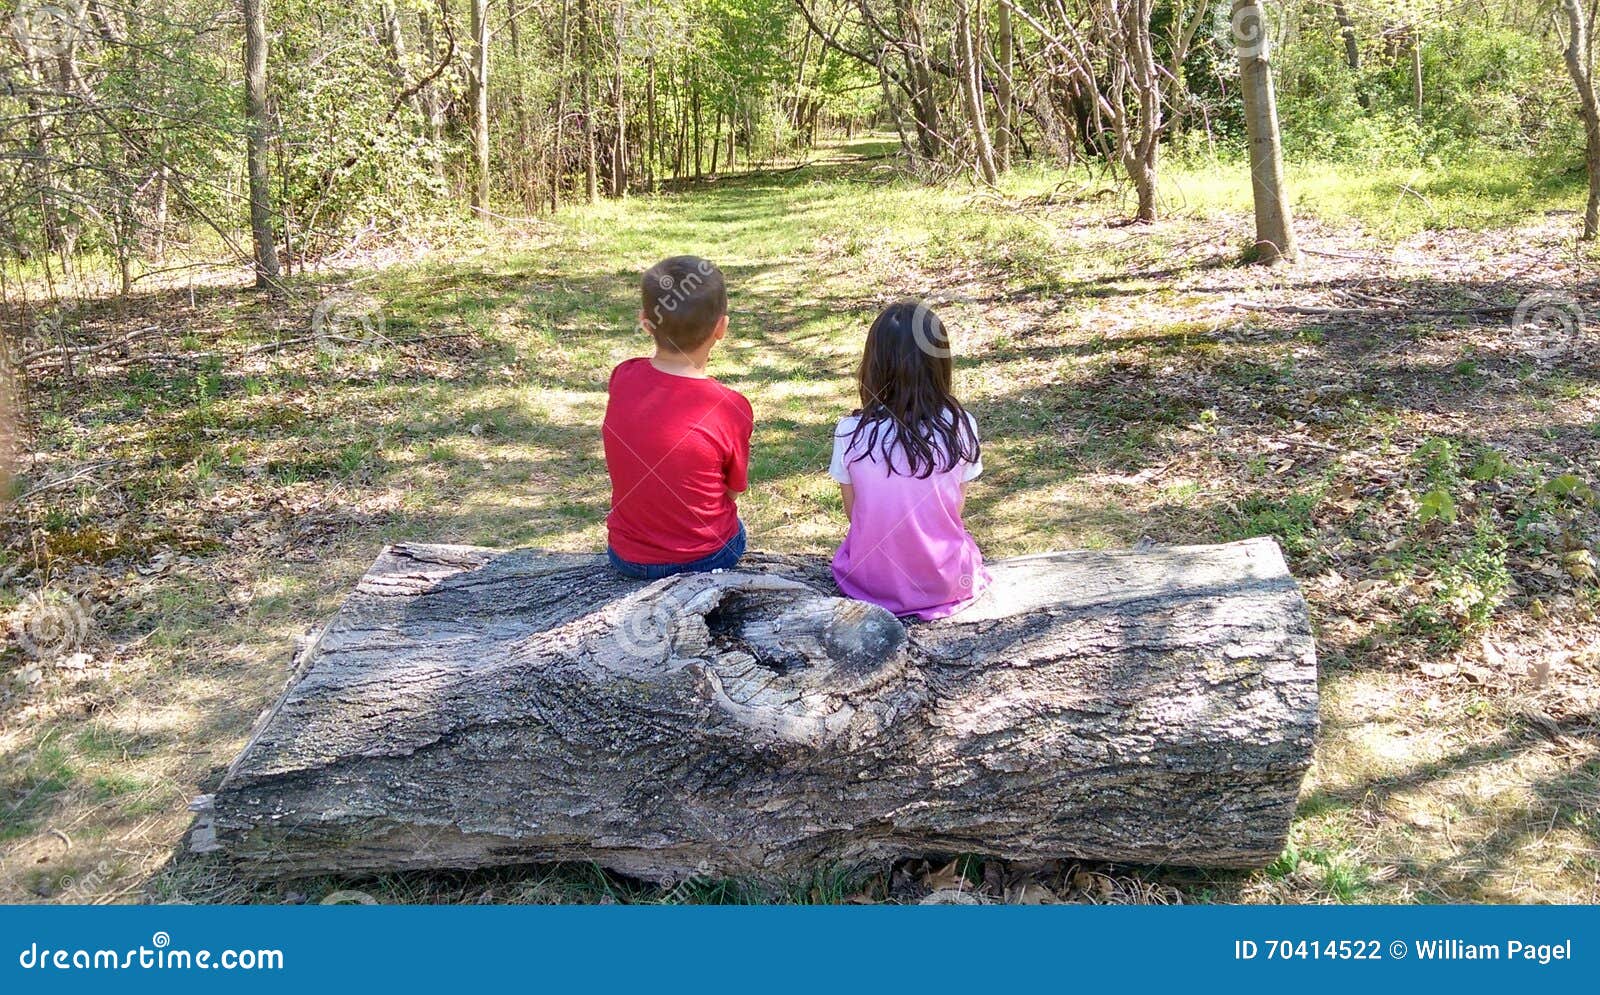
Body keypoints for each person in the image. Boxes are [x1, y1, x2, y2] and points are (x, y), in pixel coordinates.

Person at [828, 300, 990, 620]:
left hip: (869, 582)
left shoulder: (849, 432)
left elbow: (855, 514)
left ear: (873, 365)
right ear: (940, 365)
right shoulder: (961, 426)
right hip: (947, 583)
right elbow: (953, 509)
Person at [602, 256, 753, 579]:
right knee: (736, 529)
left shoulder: (623, 377)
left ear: (646, 322)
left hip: (626, 555)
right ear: (721, 328)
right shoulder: (731, 407)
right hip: (704, 557)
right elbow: (732, 490)